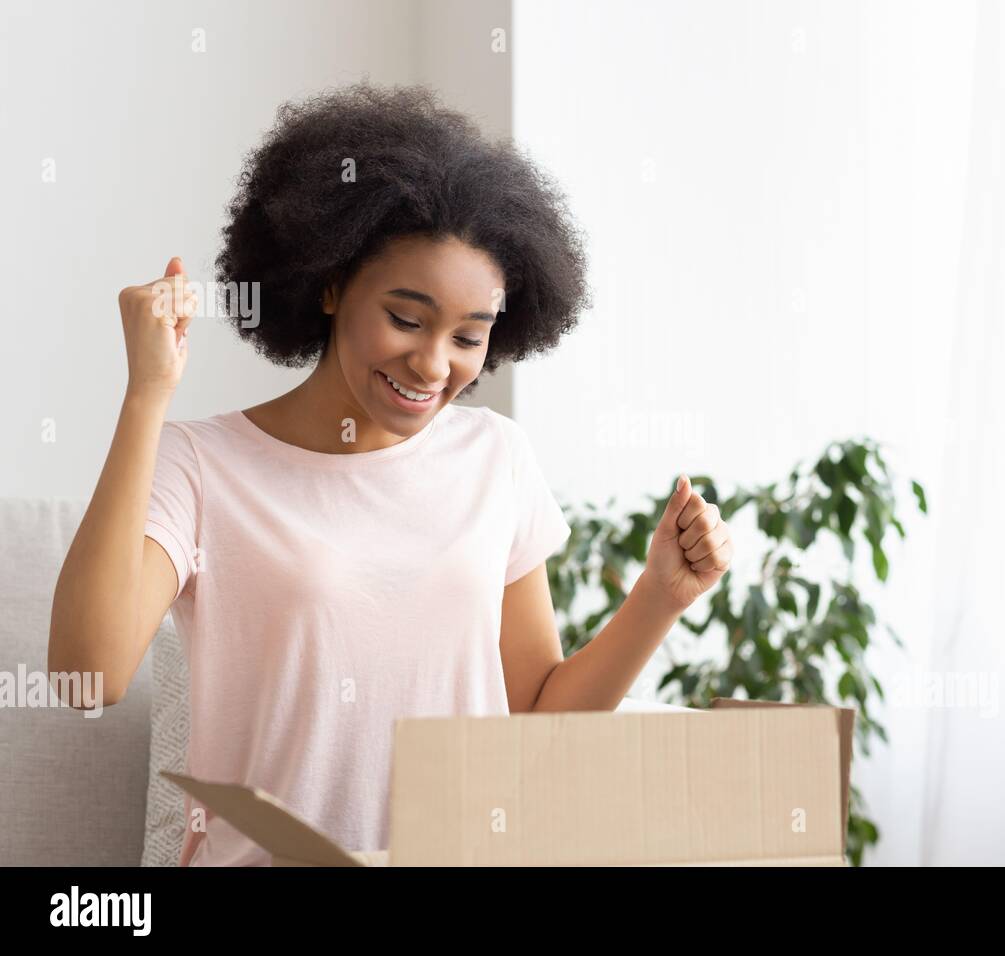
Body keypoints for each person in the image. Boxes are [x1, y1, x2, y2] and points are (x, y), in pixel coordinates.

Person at [47, 81, 734, 866]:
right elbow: (83, 677)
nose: (434, 365)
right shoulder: (203, 464)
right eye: (405, 319)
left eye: (469, 337)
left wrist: (661, 597)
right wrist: (147, 394)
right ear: (332, 285)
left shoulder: (495, 460)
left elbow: (535, 725)